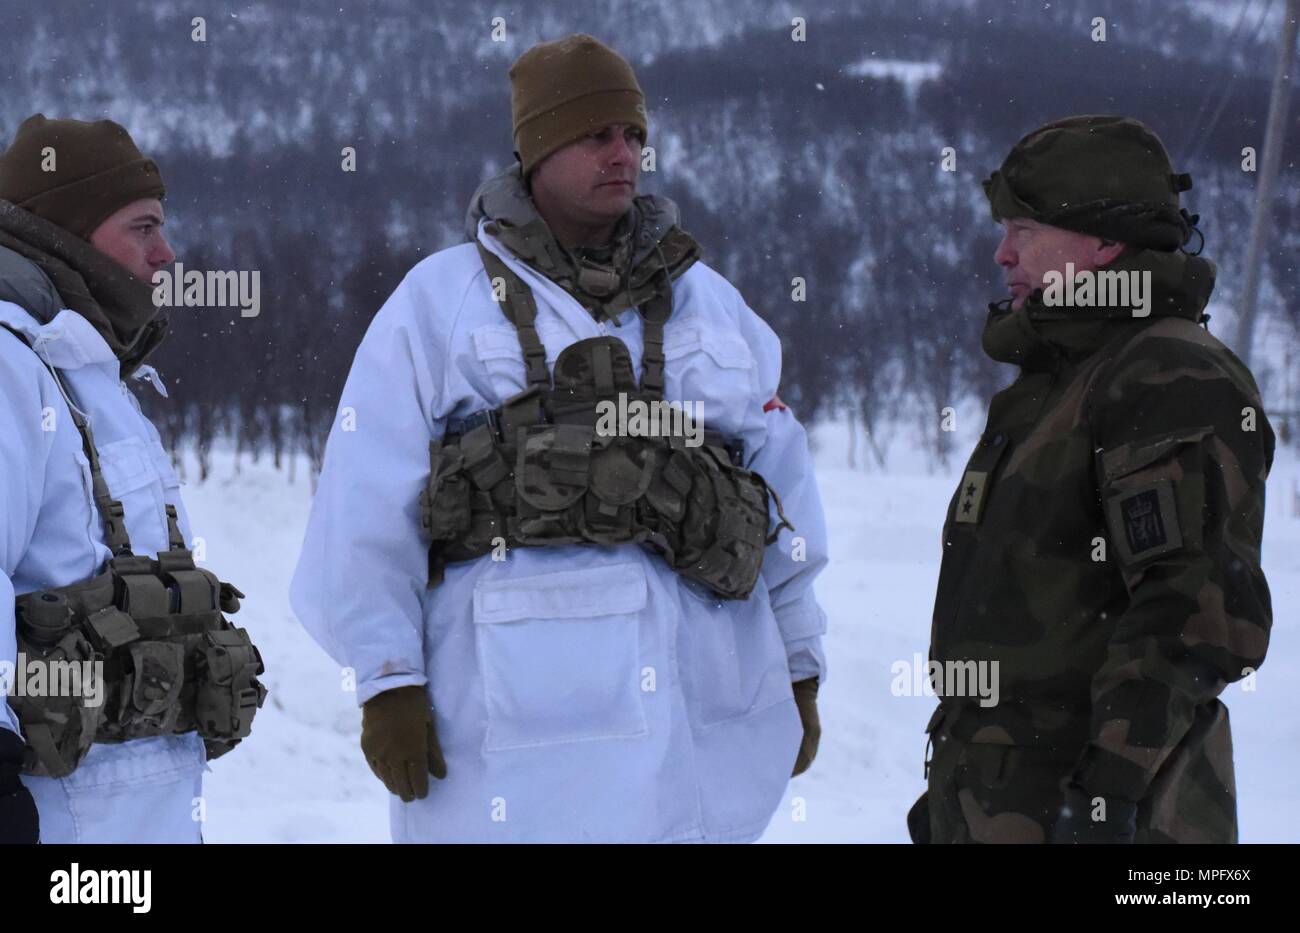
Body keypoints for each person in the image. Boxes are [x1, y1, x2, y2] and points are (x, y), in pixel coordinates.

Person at [291, 33, 829, 843]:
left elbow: (782, 495)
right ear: (534, 151)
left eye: (635, 135)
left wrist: (800, 663)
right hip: (505, 741)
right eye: (595, 134)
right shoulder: (439, 304)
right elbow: (367, 502)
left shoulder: (713, 308)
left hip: (697, 720)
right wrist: (388, 677)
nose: (624, 154)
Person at [911, 115, 1273, 844]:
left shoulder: (1165, 373)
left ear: (1105, 242)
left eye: (1026, 230)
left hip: (1104, 813)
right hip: (1013, 803)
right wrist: (959, 789)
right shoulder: (1064, 376)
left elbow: (1194, 615)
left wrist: (1105, 794)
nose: (1002, 252)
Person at [0, 114, 264, 844]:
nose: (166, 254)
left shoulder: (98, 377)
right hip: (64, 821)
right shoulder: (12, 367)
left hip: (144, 812)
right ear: (67, 230)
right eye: (143, 227)